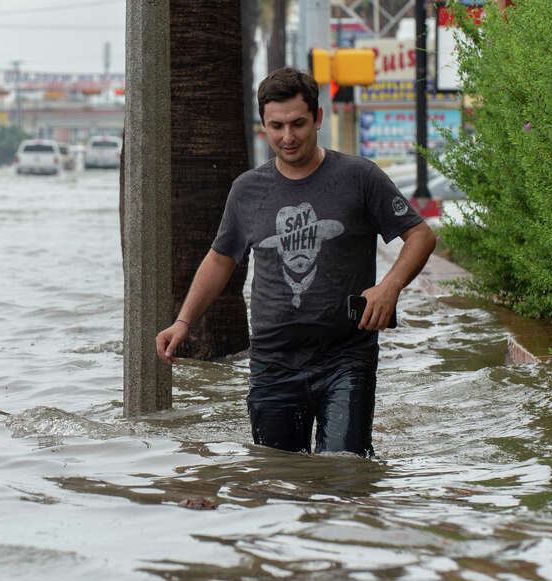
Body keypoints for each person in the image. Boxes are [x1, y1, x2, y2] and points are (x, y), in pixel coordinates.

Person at [155, 67, 437, 457]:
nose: (288, 137)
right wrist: (183, 321)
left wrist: (389, 286)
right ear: (264, 125)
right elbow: (221, 259)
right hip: (273, 363)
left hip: (346, 358)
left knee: (345, 470)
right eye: (276, 126)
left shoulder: (360, 177)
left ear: (318, 119)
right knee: (278, 482)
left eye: (298, 124)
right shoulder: (247, 190)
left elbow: (421, 234)